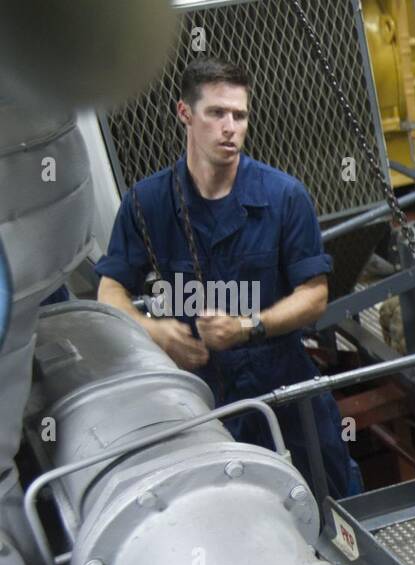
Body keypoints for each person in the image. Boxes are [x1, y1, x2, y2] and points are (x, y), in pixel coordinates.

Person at [96, 57, 359, 498]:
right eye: (216, 113)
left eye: (239, 115)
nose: (230, 127)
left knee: (333, 498)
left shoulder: (284, 197)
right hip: (202, 397)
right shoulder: (148, 203)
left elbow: (314, 295)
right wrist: (154, 330)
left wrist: (248, 327)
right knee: (226, 507)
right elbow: (110, 290)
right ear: (185, 113)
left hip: (284, 384)